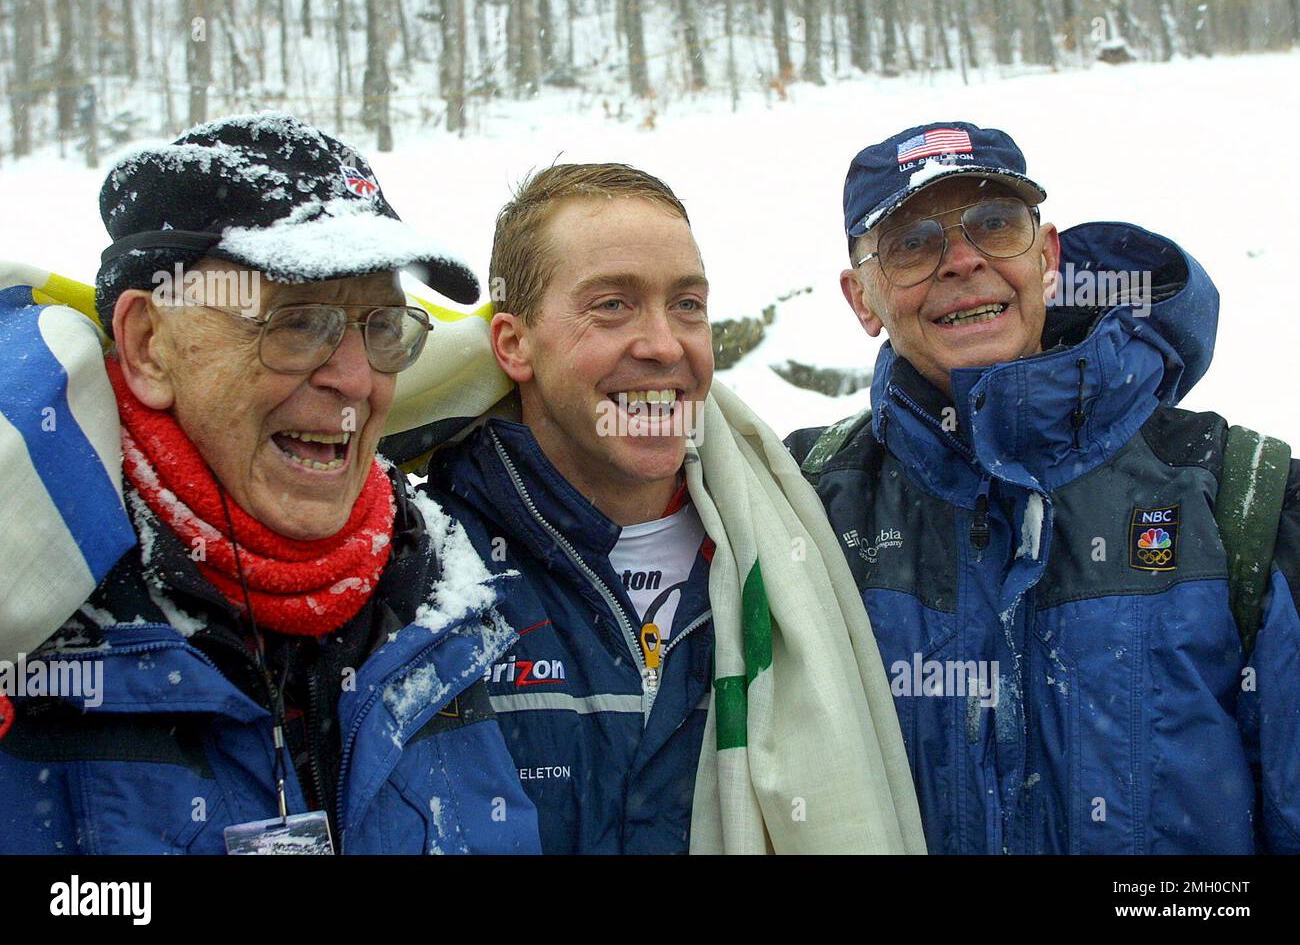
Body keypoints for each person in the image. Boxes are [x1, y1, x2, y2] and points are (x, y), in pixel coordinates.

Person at [0, 114, 540, 855]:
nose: (355, 381)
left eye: (381, 327)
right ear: (150, 345)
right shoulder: (31, 621)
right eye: (297, 323)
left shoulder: (449, 600)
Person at [786, 120, 1300, 854]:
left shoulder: (1237, 497)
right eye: (912, 242)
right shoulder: (806, 509)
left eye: (995, 223)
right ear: (861, 298)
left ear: (1049, 257)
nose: (962, 260)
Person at [415, 163, 925, 853]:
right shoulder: (424, 581)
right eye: (612, 305)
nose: (663, 344)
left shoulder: (806, 533)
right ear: (514, 343)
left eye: (686, 304)